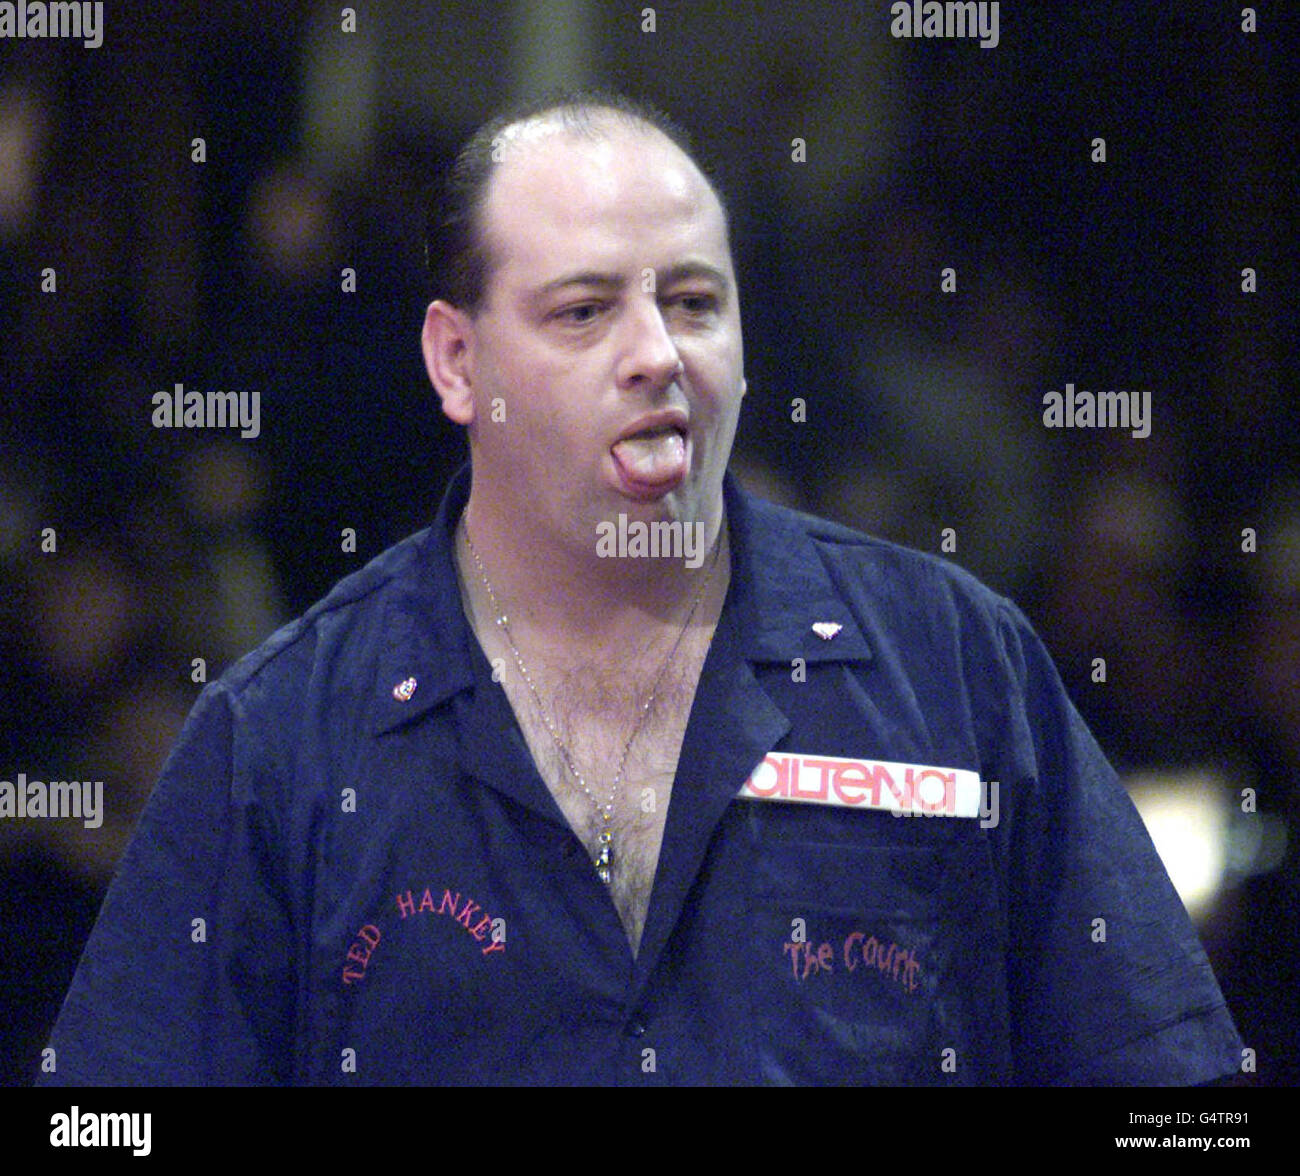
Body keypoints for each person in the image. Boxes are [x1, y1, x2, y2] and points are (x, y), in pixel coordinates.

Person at [38, 90, 1242, 1085]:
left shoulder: (952, 670)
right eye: (584, 309)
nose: (657, 353)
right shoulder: (284, 740)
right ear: (458, 362)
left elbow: (1170, 1085)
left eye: (693, 304)